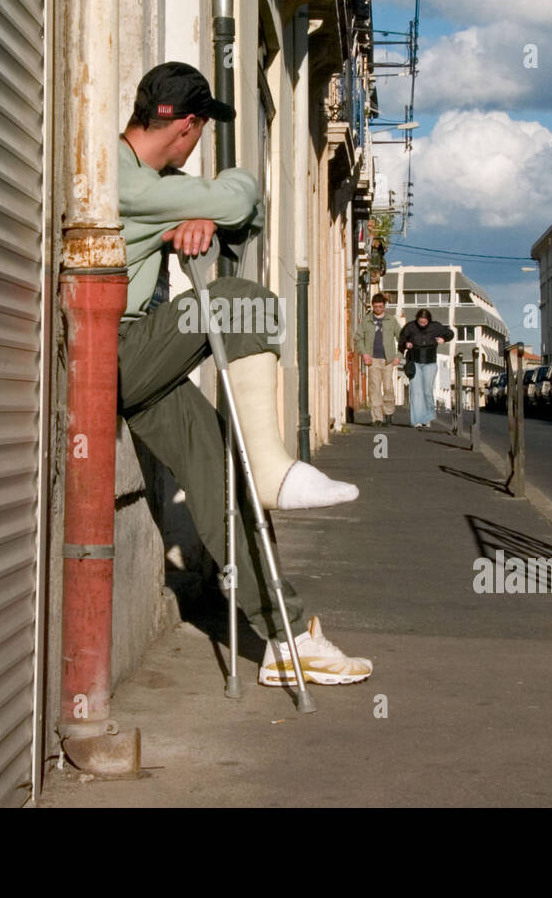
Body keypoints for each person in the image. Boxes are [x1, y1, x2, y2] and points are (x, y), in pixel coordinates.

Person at [116, 61, 372, 687]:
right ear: (185, 124)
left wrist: (186, 220)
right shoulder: (122, 178)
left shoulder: (154, 184)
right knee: (238, 299)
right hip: (115, 349)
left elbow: (240, 220)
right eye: (201, 128)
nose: (199, 144)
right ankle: (274, 467)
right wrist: (203, 206)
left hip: (143, 360)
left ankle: (285, 637)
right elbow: (242, 197)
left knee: (217, 477)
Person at [399, 308, 455, 428]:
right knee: (416, 392)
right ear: (417, 319)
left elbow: (450, 333)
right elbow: (402, 338)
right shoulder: (410, 327)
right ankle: (417, 420)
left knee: (427, 391)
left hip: (430, 362)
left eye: (425, 322)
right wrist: (405, 344)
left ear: (429, 320)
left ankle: (427, 417)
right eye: (420, 322)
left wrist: (444, 339)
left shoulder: (436, 327)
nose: (423, 324)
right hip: (414, 361)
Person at [354, 293, 402, 425]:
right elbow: (358, 338)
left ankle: (389, 412)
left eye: (381, 307)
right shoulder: (367, 320)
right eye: (376, 307)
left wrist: (398, 356)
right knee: (374, 388)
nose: (378, 309)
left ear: (384, 306)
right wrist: (364, 354)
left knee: (388, 387)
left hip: (388, 359)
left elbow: (402, 338)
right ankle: (377, 418)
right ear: (372, 306)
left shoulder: (391, 320)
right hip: (373, 359)